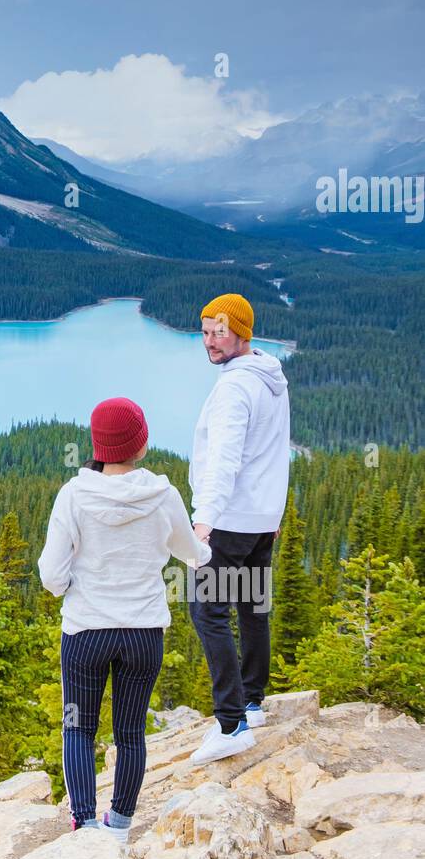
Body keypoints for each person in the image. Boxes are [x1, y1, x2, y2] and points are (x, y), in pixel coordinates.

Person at [37, 396, 210, 844]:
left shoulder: (73, 496)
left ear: (96, 445)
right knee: (130, 732)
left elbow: (51, 575)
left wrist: (72, 589)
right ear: (141, 444)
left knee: (78, 727)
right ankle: (119, 828)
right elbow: (192, 556)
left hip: (86, 633)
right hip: (143, 632)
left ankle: (84, 823)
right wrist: (203, 543)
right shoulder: (163, 495)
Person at [187, 292, 290, 765]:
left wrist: (204, 519)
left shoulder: (234, 388)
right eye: (205, 331)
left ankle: (232, 724)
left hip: (229, 520)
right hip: (259, 519)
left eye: (219, 332)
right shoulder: (271, 376)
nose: (209, 341)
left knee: (207, 611)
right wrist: (275, 514)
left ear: (241, 333)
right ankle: (252, 700)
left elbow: (225, 459)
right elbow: (275, 452)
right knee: (252, 605)